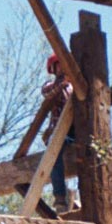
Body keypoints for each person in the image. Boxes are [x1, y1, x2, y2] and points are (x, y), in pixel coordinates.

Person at [42, 55, 76, 214]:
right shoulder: (50, 85)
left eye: (64, 65)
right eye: (59, 65)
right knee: (54, 154)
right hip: (59, 130)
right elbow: (49, 92)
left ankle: (83, 193)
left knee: (89, 153)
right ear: (53, 69)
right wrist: (63, 82)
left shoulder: (76, 88)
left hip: (76, 131)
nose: (62, 68)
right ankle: (60, 197)